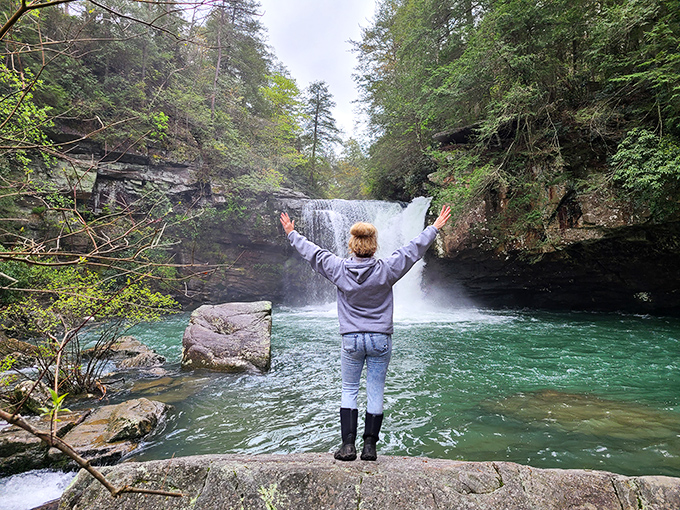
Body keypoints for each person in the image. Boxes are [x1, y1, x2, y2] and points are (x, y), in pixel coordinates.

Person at [279, 204, 451, 461]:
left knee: (349, 389)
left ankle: (348, 447)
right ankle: (370, 448)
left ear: (352, 244)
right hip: (380, 338)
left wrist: (292, 234)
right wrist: (434, 228)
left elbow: (313, 254)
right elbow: (412, 251)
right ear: (373, 245)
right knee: (376, 390)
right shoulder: (386, 268)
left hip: (351, 339)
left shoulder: (337, 267)